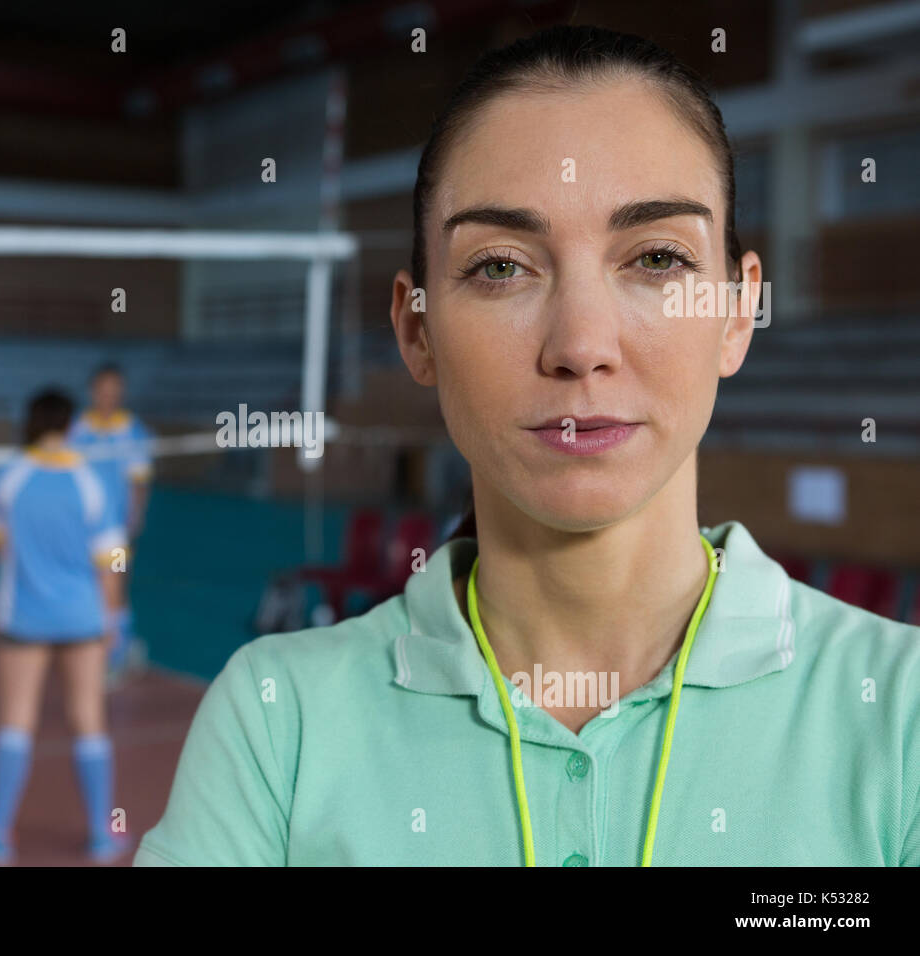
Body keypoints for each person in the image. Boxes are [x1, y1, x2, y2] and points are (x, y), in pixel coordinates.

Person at [135, 25, 920, 866]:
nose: (581, 345)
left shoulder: (902, 711)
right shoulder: (273, 721)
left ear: (737, 313)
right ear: (416, 330)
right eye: (501, 267)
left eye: (657, 257)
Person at [0, 388, 130, 865]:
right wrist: (114, 618)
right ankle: (102, 836)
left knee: (16, 721)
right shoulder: (93, 481)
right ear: (71, 425)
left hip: (23, 617)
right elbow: (113, 560)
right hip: (83, 618)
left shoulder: (4, 477)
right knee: (89, 720)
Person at [67, 363, 153, 683]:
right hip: (81, 530)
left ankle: (116, 655)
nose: (109, 396)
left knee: (116, 589)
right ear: (93, 391)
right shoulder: (76, 429)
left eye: (115, 390)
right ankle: (94, 650)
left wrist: (134, 520)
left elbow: (139, 482)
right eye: (104, 389)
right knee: (85, 590)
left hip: (115, 532)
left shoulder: (133, 431)